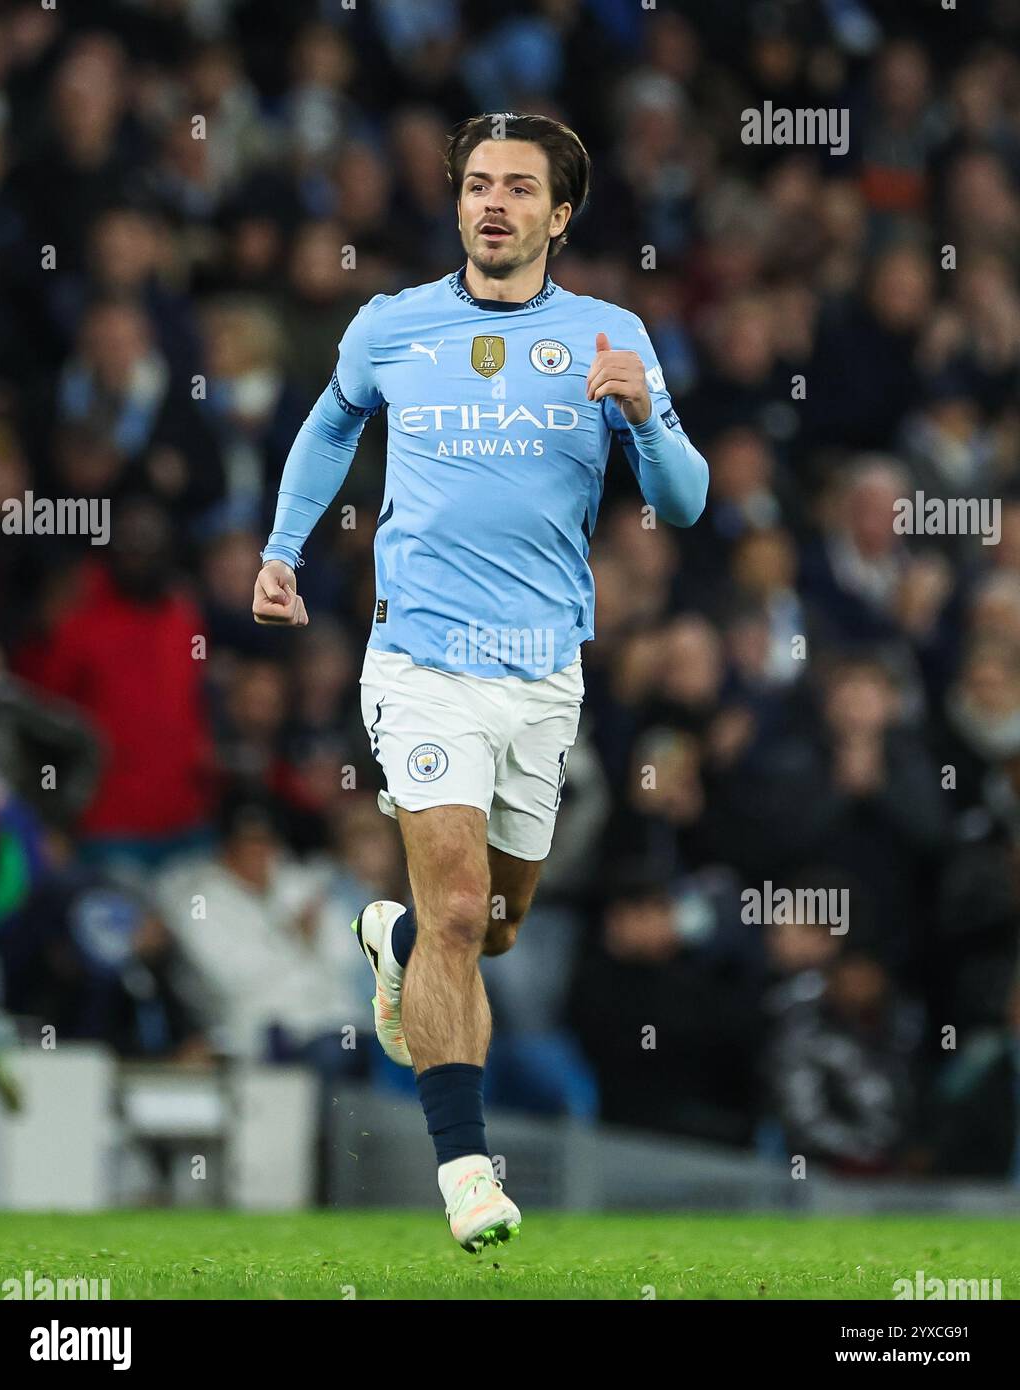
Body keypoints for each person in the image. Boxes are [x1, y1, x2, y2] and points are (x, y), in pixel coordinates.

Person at [251, 112, 709, 1252]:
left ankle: (396, 946)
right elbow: (328, 423)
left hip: (542, 673)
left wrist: (643, 419)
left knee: (488, 929)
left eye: (516, 188)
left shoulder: (608, 335)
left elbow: (688, 500)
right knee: (460, 908)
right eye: (473, 185)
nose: (490, 203)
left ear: (560, 214)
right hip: (420, 661)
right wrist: (281, 549)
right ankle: (465, 1169)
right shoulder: (391, 325)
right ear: (455, 202)